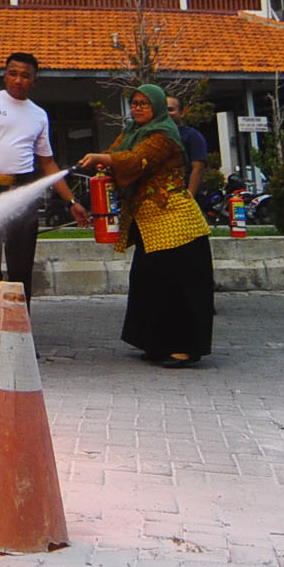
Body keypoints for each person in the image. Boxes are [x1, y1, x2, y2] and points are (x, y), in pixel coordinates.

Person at [0, 52, 82, 362]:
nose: (18, 80)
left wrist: (72, 201)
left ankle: (17, 335)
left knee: (21, 269)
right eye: (13, 73)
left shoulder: (38, 115)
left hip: (22, 190)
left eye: (25, 75)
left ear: (34, 80)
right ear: (5, 74)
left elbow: (47, 162)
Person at [78, 85, 214, 367]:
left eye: (144, 103)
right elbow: (116, 155)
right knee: (149, 283)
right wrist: (104, 163)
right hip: (148, 223)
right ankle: (155, 343)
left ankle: (184, 347)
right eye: (135, 103)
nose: (138, 108)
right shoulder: (131, 132)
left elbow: (135, 160)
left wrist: (103, 159)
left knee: (178, 286)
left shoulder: (164, 135)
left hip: (176, 223)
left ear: (158, 107)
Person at [166, 93, 209, 197]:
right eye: (163, 110)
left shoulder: (192, 136)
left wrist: (189, 197)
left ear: (182, 113)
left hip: (183, 196)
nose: (166, 113)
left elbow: (198, 169)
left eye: (170, 109)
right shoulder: (154, 135)